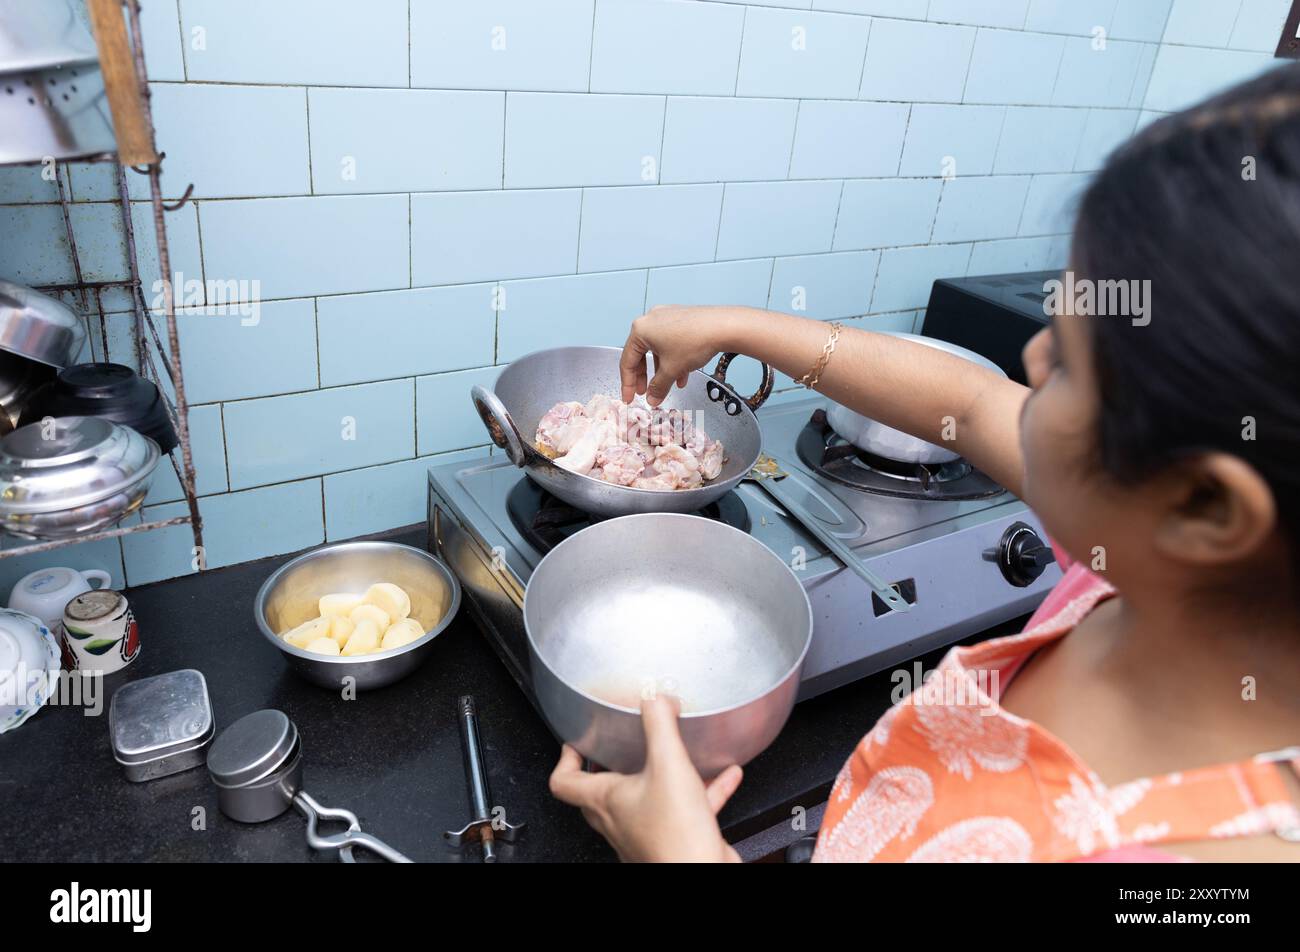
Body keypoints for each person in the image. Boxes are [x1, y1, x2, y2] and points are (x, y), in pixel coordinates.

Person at [548, 64, 1300, 862]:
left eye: (1077, 365)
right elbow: (972, 404)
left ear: (1207, 508)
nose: (1033, 358)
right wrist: (736, 325)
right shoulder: (1151, 563)